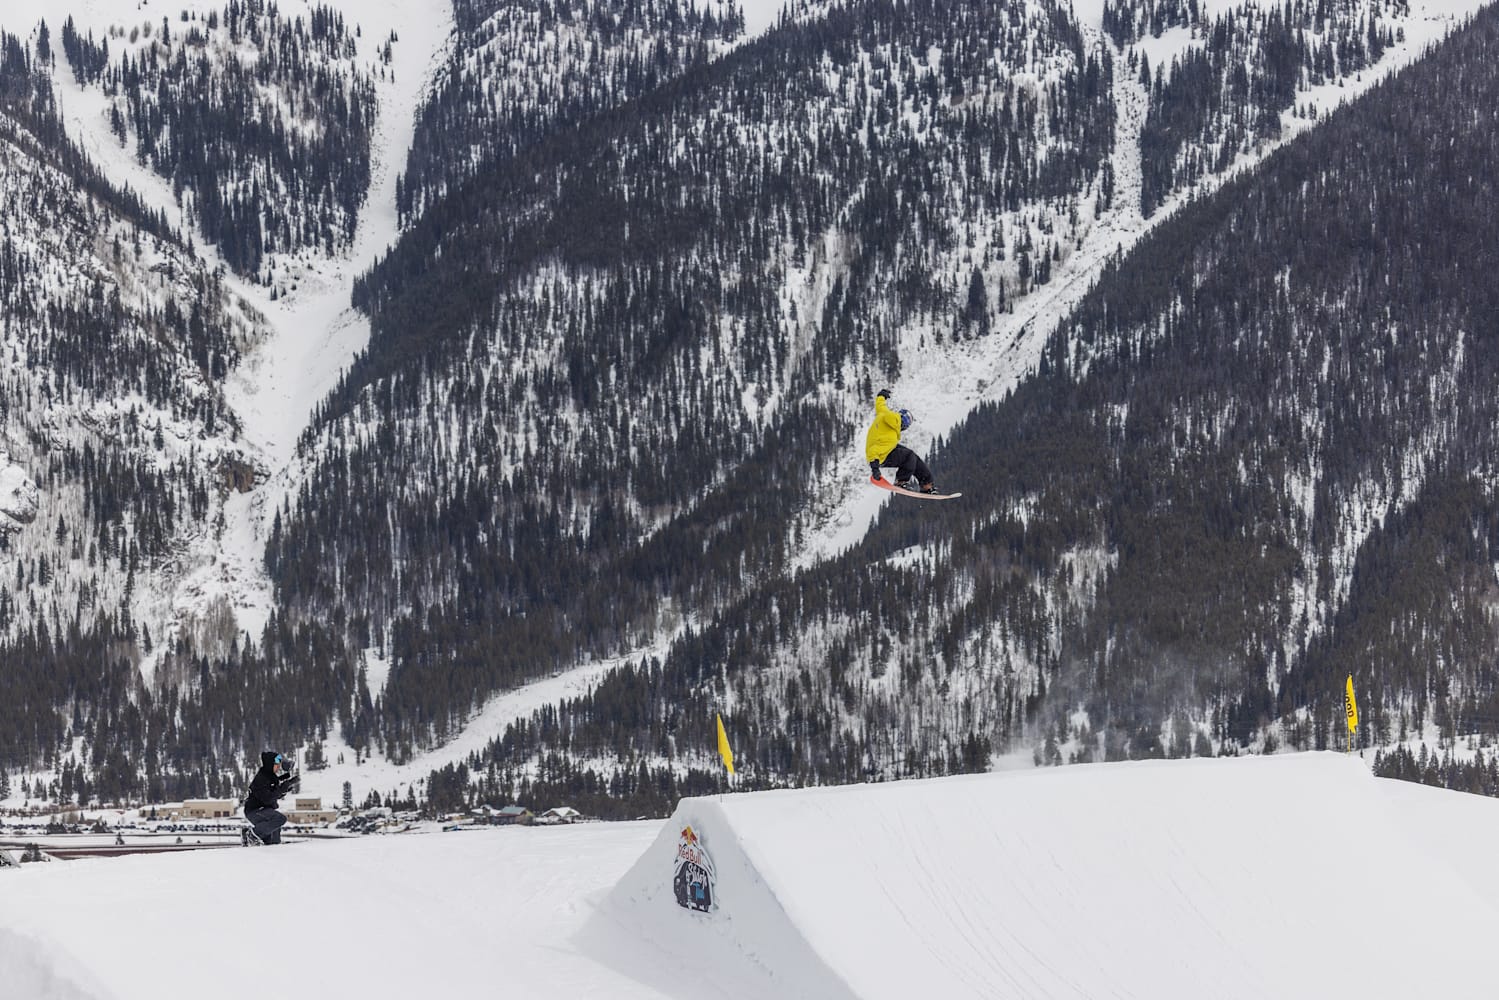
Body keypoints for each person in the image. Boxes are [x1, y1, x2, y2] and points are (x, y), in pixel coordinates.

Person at [865, 387, 937, 493]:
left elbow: (880, 405)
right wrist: (875, 469)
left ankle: (927, 484)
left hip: (887, 451)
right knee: (909, 456)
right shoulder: (891, 432)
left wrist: (882, 396)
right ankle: (901, 482)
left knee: (914, 458)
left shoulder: (885, 414)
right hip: (881, 456)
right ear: (904, 423)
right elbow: (873, 450)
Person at [243, 750, 299, 846]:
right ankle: (252, 835)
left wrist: (286, 788)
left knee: (274, 842)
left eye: (279, 764)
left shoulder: (271, 777)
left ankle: (255, 840)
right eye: (276, 764)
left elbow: (274, 795)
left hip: (264, 810)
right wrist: (282, 789)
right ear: (270, 764)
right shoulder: (262, 778)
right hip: (255, 811)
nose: (278, 767)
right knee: (279, 819)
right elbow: (268, 799)